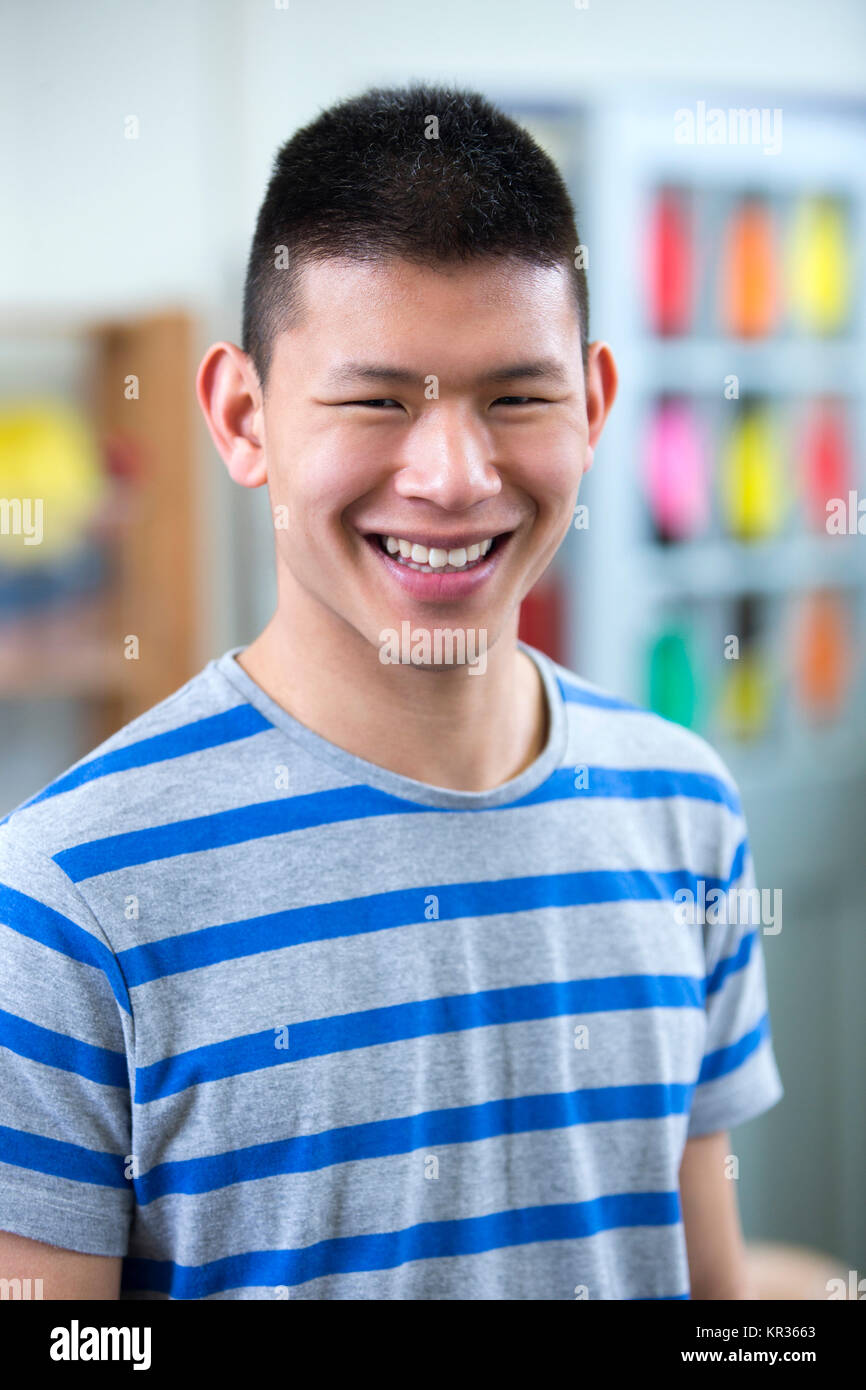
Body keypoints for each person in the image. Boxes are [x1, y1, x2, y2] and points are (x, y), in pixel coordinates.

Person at [0, 83, 782, 1300]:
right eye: (376, 400)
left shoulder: (684, 806)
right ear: (241, 415)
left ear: (593, 407)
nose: (454, 476)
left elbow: (708, 1292)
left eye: (515, 397)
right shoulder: (66, 898)